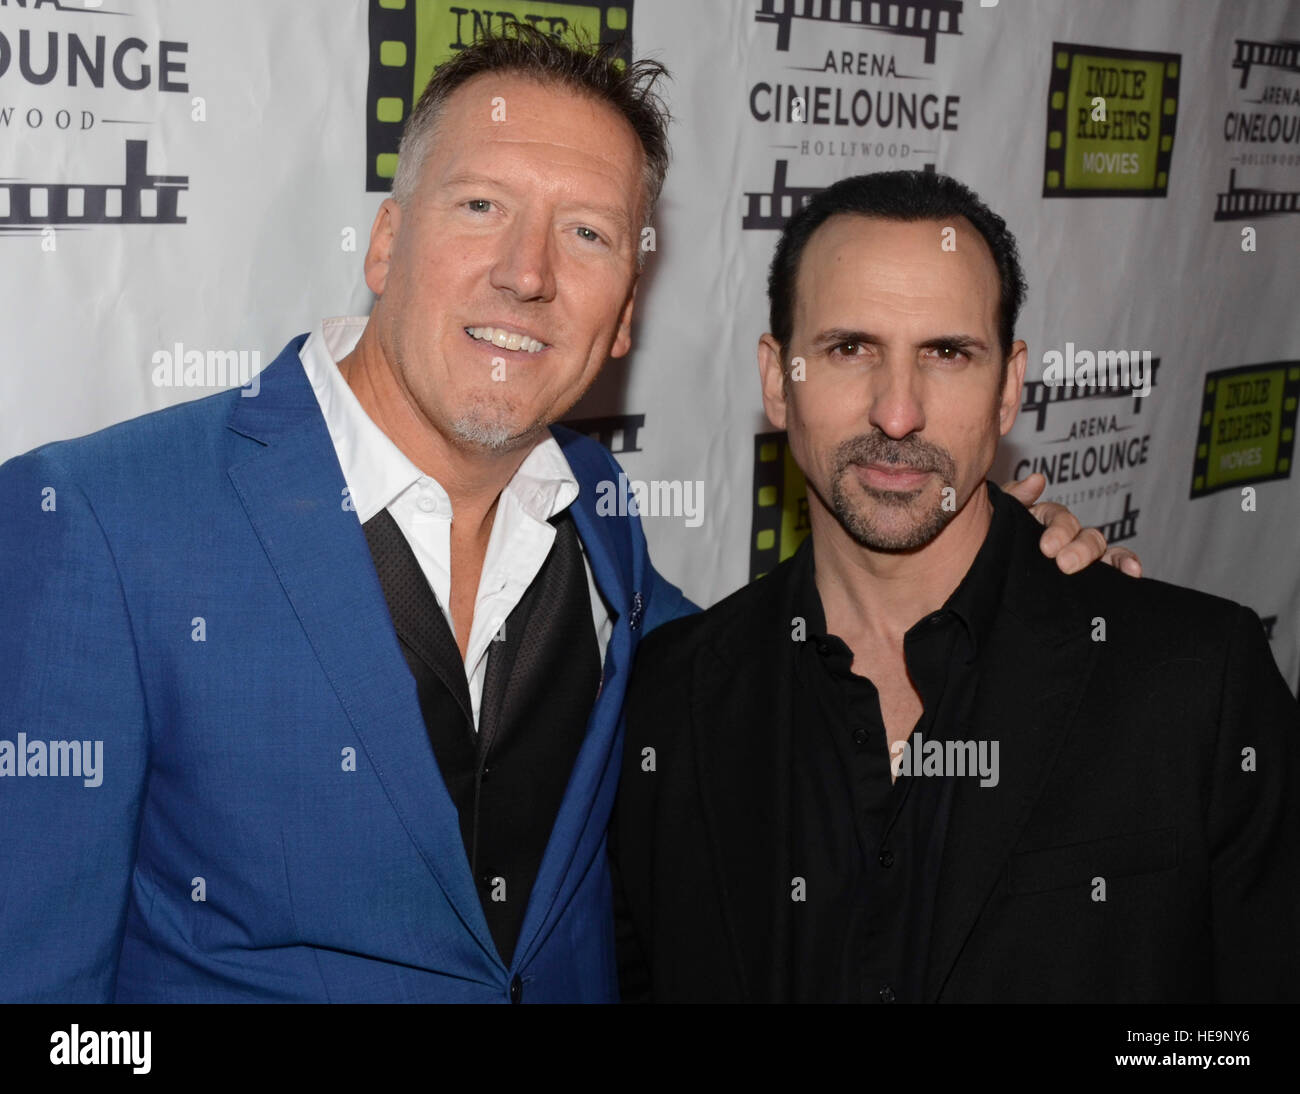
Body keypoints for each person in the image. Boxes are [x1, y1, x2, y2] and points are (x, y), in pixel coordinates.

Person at [0, 29, 1119, 1004]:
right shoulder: (99, 521)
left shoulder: (598, 513)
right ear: (387, 243)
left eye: (587, 234)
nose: (526, 274)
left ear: (625, 312)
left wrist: (1014, 565)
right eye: (482, 206)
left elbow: (767, 668)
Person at [612, 169, 1300, 1004]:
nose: (897, 414)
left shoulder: (1196, 680)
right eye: (849, 348)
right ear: (776, 380)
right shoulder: (667, 701)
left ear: (1009, 387)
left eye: (946, 353)